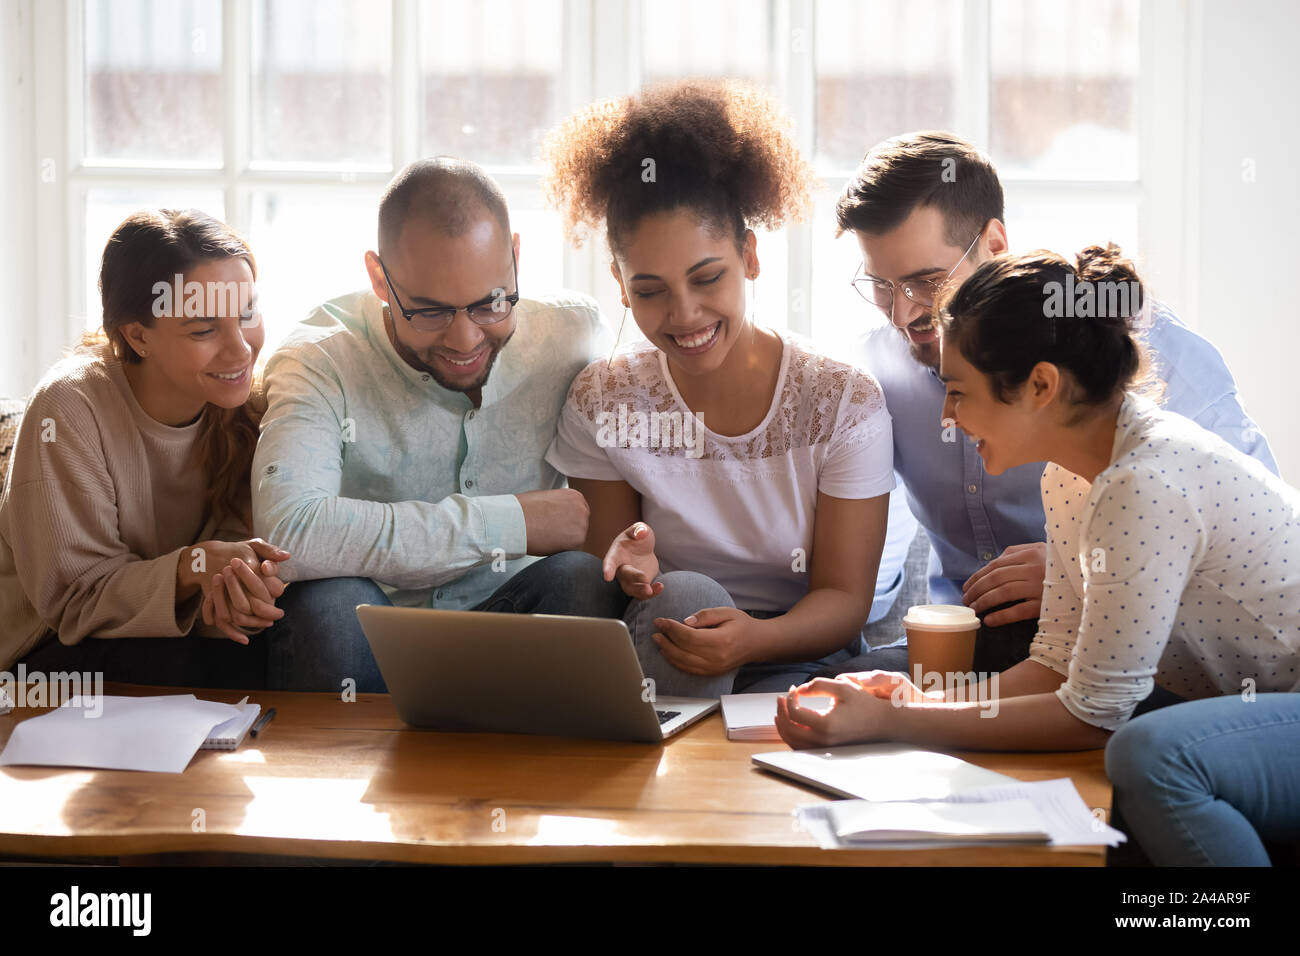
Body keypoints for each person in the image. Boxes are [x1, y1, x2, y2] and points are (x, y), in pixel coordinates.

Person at [775, 246, 1300, 864]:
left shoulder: (1144, 480)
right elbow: (1054, 667)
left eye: (959, 391)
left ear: (1041, 386)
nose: (947, 416)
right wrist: (908, 700)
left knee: (1151, 753)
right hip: (1260, 704)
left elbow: (1092, 715)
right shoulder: (1071, 476)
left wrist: (892, 722)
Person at [836, 132, 1278, 677]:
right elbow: (876, 557)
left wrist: (1079, 573)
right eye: (881, 284)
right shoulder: (876, 370)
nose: (903, 315)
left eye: (927, 281)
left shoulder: (1133, 344)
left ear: (994, 244)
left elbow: (1244, 543)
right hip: (971, 645)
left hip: (1138, 642)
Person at [541, 80, 895, 698]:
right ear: (620, 285)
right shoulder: (606, 399)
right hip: (668, 637)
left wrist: (754, 640)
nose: (684, 314)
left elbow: (844, 599)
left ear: (750, 256)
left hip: (797, 653)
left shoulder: (842, 400)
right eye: (649, 290)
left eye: (707, 277)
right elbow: (611, 572)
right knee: (683, 593)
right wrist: (634, 571)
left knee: (698, 605)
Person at [252, 157, 625, 693]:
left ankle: (551, 772)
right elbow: (290, 531)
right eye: (429, 311)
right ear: (380, 278)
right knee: (327, 601)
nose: (465, 340)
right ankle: (352, 772)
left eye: (488, 305)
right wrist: (509, 522)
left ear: (516, 259)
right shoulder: (319, 358)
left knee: (580, 578)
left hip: (516, 624)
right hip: (372, 632)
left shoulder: (574, 333)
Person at [0, 209, 290, 687]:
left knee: (269, 642)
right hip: (44, 652)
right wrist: (192, 567)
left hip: (169, 636)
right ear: (138, 335)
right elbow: (73, 601)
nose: (241, 349)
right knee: (166, 663)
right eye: (204, 330)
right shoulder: (68, 409)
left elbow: (234, 553)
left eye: (246, 314)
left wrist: (232, 592)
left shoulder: (250, 404)